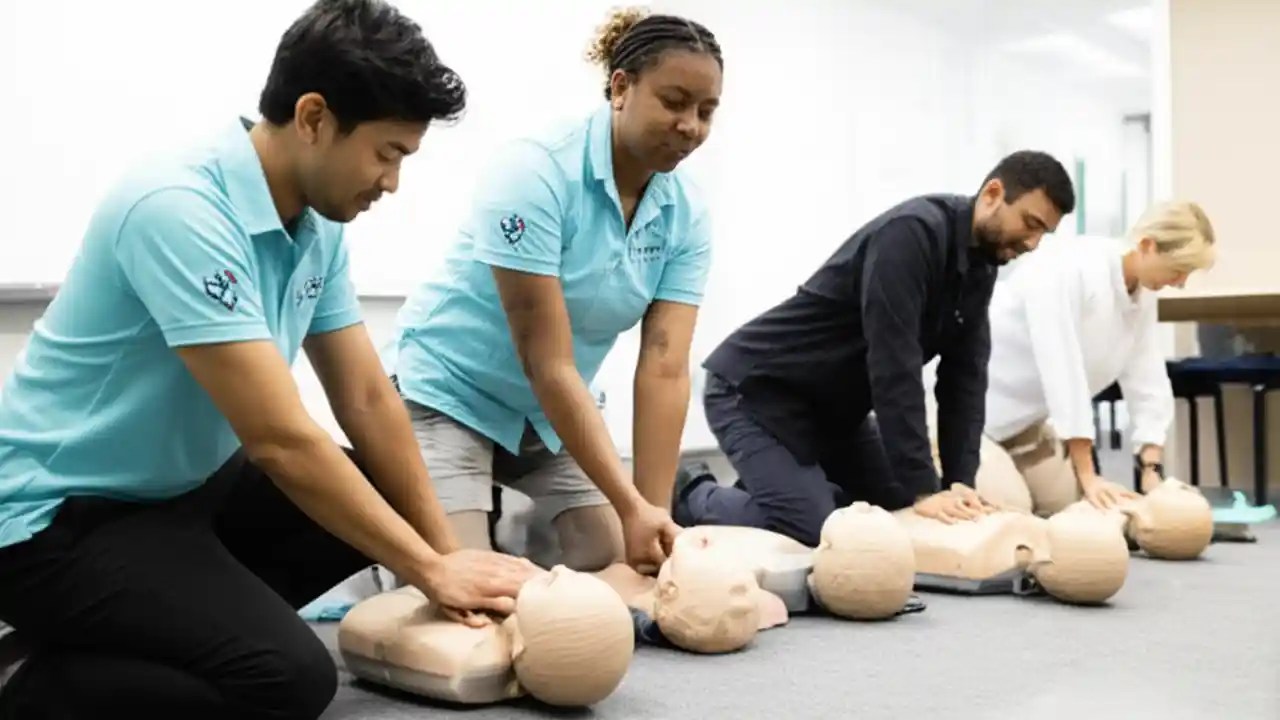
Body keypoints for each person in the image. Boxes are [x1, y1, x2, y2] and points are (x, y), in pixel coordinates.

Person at [0, 2, 539, 718]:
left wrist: (444, 551)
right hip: (57, 523)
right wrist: (430, 569)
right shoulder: (178, 205)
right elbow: (281, 440)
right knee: (286, 680)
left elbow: (369, 399)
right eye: (388, 153)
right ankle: (33, 692)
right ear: (314, 118)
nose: (392, 183)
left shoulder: (317, 224)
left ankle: (138, 639)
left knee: (366, 479)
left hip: (174, 499)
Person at [388, 7, 723, 573]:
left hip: (543, 421)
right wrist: (630, 504)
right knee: (468, 585)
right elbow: (548, 362)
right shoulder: (533, 172)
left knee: (617, 557)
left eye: (706, 110)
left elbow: (664, 366)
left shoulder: (685, 213)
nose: (690, 124)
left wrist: (651, 515)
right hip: (448, 395)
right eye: (673, 102)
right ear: (621, 88)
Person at [673, 151, 1077, 547]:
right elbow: (893, 366)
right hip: (756, 393)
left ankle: (783, 488)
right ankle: (693, 495)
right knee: (822, 532)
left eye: (1044, 232)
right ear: (992, 194)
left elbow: (965, 381)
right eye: (1030, 223)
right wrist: (925, 489)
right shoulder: (910, 235)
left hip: (834, 415)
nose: (1033, 243)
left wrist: (957, 484)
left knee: (896, 509)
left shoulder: (981, 267)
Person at [977, 201, 1216, 516]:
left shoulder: (1141, 296)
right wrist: (1088, 476)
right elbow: (1063, 372)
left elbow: (1148, 380)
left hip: (1023, 427)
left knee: (1079, 511)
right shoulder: (1070, 269)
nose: (1181, 283)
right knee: (1013, 511)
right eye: (1177, 271)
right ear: (1147, 246)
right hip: (966, 420)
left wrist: (1151, 470)